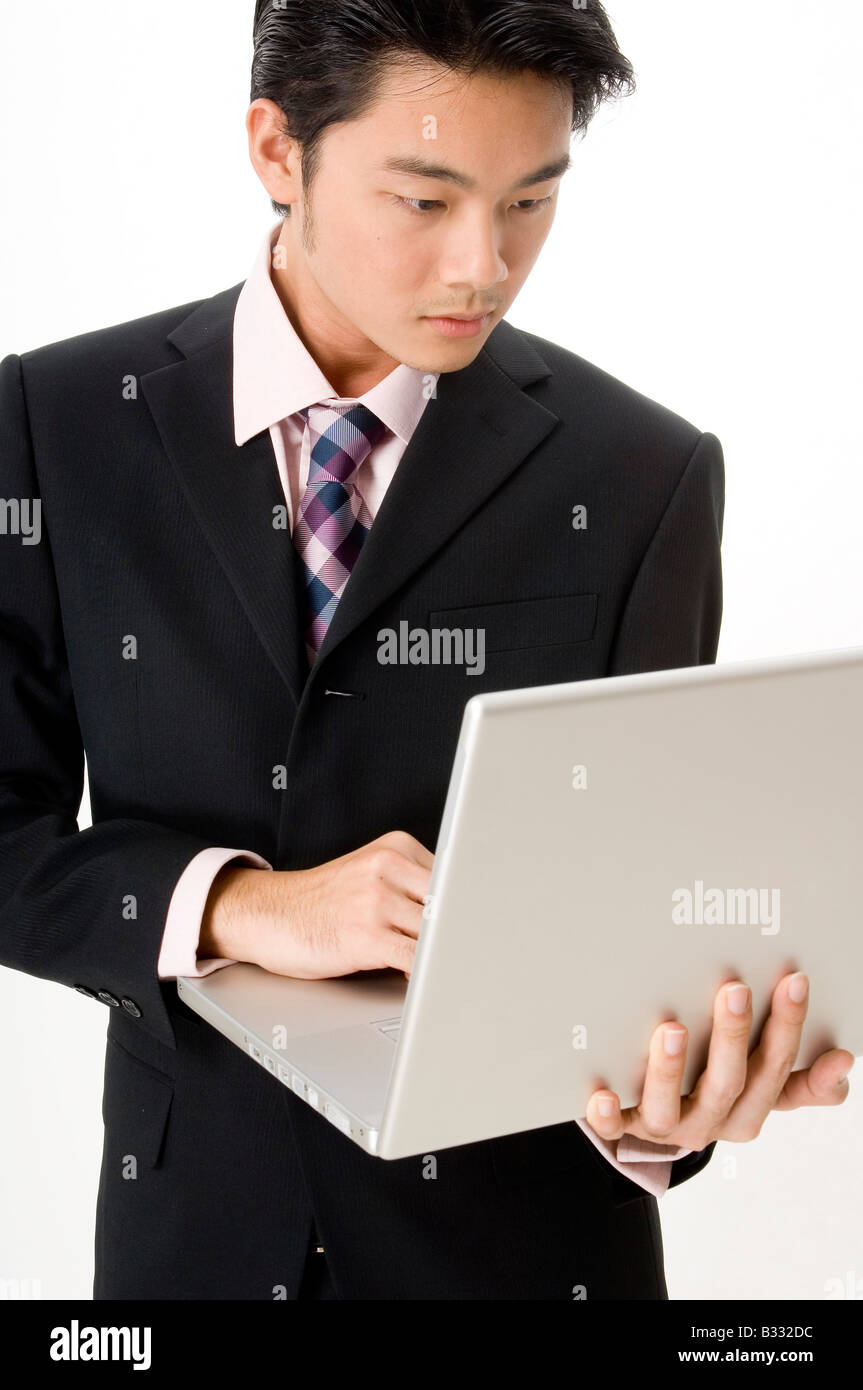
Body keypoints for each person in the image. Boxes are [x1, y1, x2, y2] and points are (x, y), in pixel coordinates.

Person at [0, 0, 852, 1301]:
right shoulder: (57, 421)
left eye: (531, 201)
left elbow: (649, 921)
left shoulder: (643, 474)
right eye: (425, 200)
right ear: (277, 151)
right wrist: (241, 903)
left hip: (525, 1260)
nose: (485, 267)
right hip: (190, 1257)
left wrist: (664, 1106)